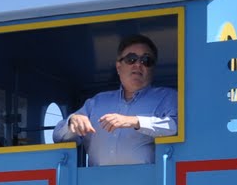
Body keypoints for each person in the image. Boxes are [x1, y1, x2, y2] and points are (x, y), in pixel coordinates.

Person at [52, 34, 177, 166]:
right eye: (131, 59)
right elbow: (58, 137)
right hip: (95, 183)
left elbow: (176, 127)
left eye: (146, 60)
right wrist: (73, 121)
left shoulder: (168, 97)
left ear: (152, 68)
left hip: (149, 183)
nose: (138, 65)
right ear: (118, 67)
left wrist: (135, 121)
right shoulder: (97, 102)